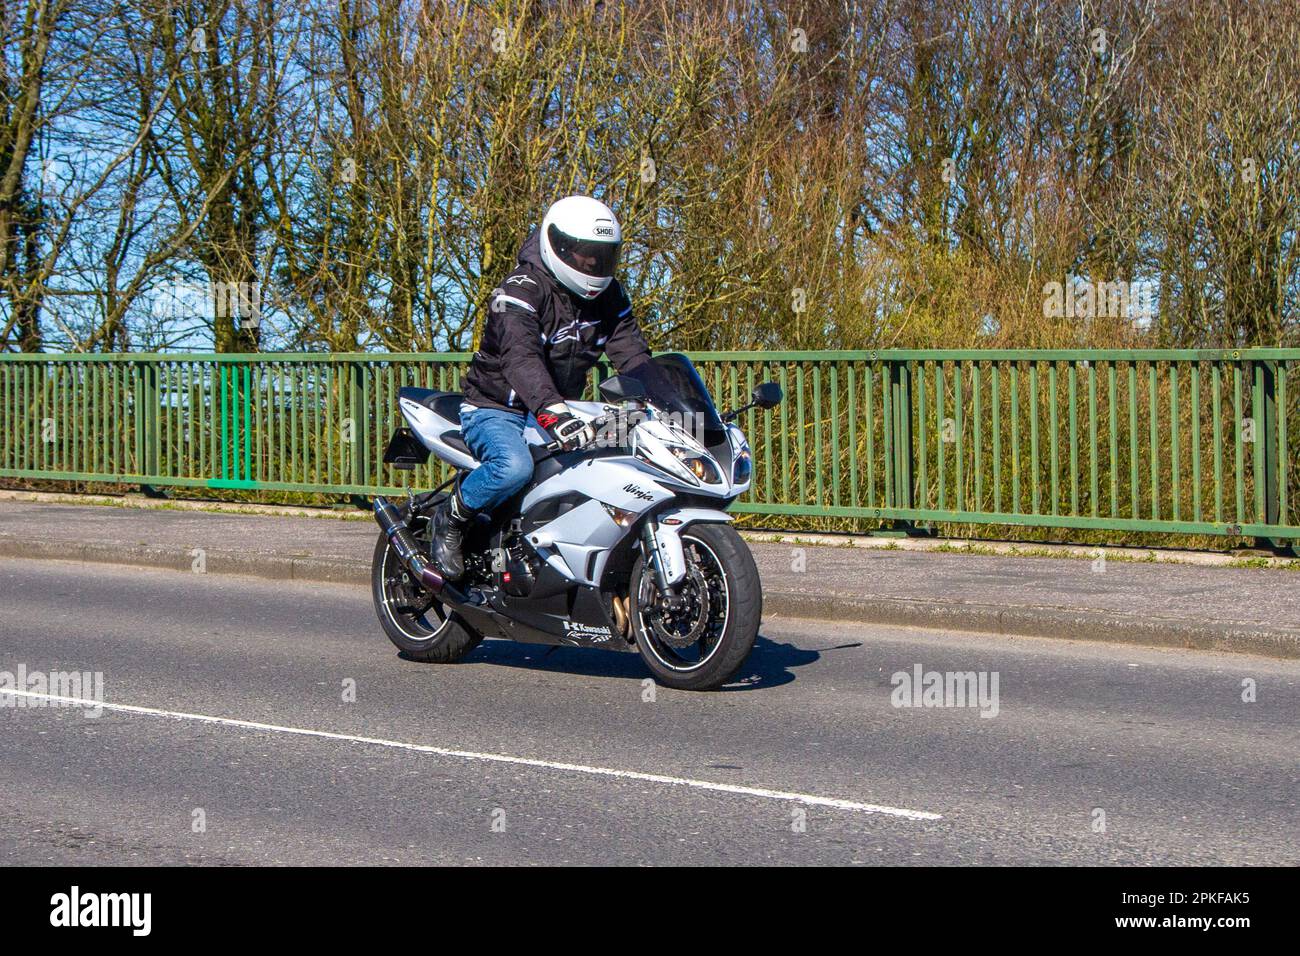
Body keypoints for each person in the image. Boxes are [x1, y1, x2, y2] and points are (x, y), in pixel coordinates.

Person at [431, 195, 675, 580]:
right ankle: (451, 517)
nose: (593, 265)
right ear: (557, 245)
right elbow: (520, 359)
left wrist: (673, 406)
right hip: (497, 407)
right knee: (514, 467)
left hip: (564, 406)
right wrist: (551, 411)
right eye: (583, 255)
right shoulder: (521, 290)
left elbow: (635, 358)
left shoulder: (609, 297)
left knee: (622, 460)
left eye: (602, 256)